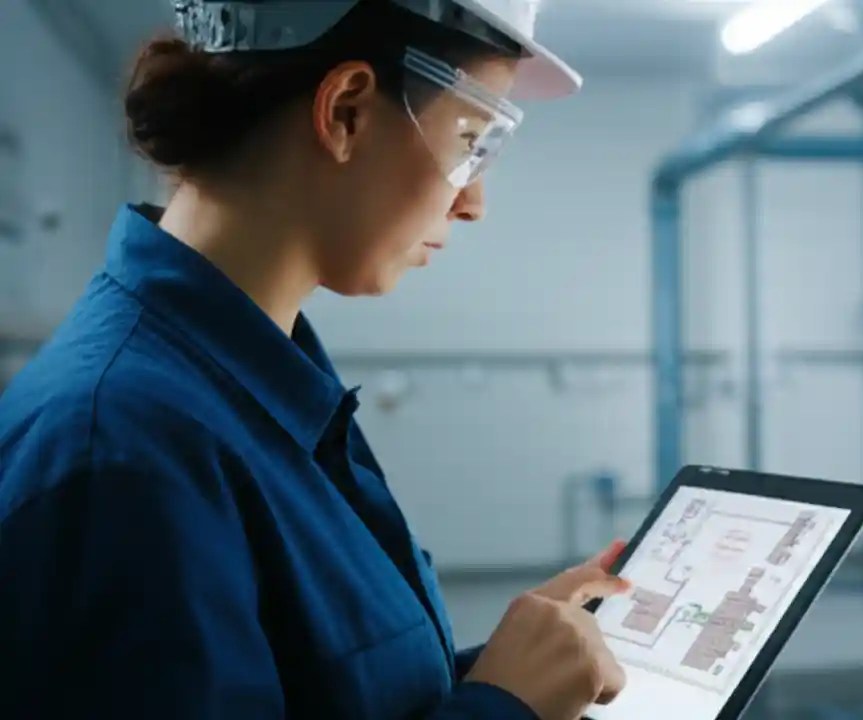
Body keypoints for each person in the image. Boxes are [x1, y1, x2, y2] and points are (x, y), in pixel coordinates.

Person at [0, 1, 631, 718]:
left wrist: (507, 673)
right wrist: (502, 710)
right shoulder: (120, 450)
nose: (474, 202)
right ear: (347, 112)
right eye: (470, 140)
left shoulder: (252, 392)